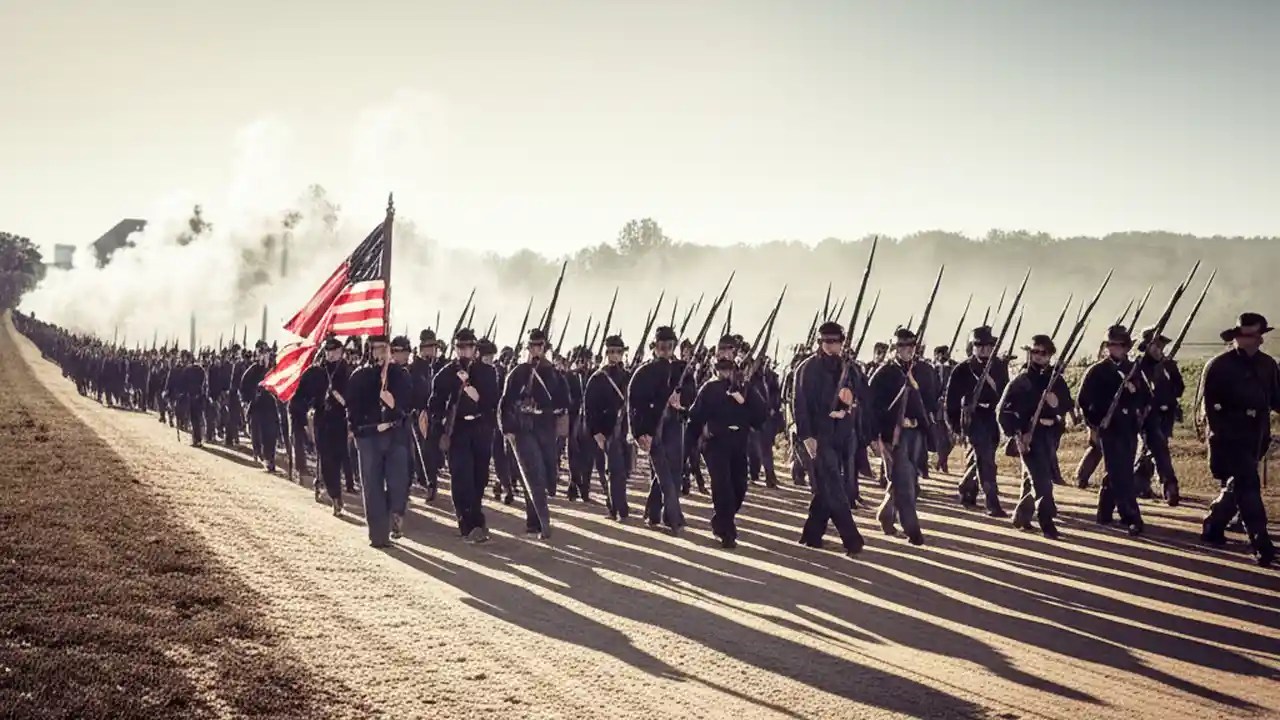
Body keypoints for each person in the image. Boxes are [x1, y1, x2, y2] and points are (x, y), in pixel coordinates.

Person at [1200, 313, 1278, 567]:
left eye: (1254, 336)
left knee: (1240, 486)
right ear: (1236, 337)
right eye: (1245, 336)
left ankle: (1214, 524)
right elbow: (1209, 409)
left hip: (1257, 437)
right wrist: (1219, 436)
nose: (1251, 341)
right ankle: (1260, 542)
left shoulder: (1268, 365)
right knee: (1249, 486)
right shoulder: (1219, 366)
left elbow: (1277, 398)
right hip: (1228, 437)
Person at [793, 321, 866, 556]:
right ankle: (852, 539)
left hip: (843, 434)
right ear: (820, 342)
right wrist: (807, 436)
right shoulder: (807, 369)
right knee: (835, 486)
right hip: (818, 436)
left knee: (827, 487)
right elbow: (800, 404)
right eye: (827, 341)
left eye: (836, 341)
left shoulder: (851, 369)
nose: (832, 345)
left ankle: (811, 534)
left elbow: (862, 398)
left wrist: (850, 401)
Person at [998, 334, 1074, 538]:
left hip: (1050, 436)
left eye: (1044, 352)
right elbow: (1003, 412)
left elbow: (1068, 404)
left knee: (1034, 479)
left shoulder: (1055, 380)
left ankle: (1021, 516)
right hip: (1028, 437)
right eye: (1035, 352)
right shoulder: (1020, 381)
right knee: (1042, 482)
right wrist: (1017, 435)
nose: (1040, 356)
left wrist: (1055, 402)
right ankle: (1046, 521)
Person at [1078, 325, 1151, 536]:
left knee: (1120, 469)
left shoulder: (1134, 369)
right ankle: (1131, 516)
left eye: (1118, 345)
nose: (1113, 349)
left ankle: (1104, 512)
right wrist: (1094, 424)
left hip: (1128, 427)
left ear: (1126, 347)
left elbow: (1146, 398)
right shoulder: (1096, 371)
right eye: (1110, 344)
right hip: (1108, 428)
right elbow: (1084, 401)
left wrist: (1133, 392)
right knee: (1122, 474)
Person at [687, 354, 766, 548]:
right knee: (722, 487)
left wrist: (744, 399)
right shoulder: (709, 389)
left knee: (739, 487)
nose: (725, 373)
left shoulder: (746, 389)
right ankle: (728, 532)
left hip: (739, 443)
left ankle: (721, 520)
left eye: (728, 369)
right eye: (721, 369)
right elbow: (695, 417)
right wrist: (689, 445)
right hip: (715, 444)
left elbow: (761, 416)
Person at [429, 328, 499, 543]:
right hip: (457, 430)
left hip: (480, 429)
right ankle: (467, 524)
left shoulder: (487, 372)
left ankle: (477, 517)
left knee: (480, 478)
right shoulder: (445, 374)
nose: (464, 351)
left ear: (475, 348)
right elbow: (435, 405)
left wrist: (477, 397)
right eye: (460, 346)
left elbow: (493, 402)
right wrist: (439, 431)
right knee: (462, 478)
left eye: (468, 346)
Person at [500, 328, 570, 539]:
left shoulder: (555, 374)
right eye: (532, 346)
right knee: (533, 474)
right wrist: (508, 429)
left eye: (539, 346)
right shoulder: (519, 372)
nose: (535, 350)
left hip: (546, 429)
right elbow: (505, 403)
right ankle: (541, 522)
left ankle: (537, 518)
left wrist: (554, 412)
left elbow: (564, 402)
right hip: (524, 429)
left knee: (548, 473)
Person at [347, 334, 413, 548]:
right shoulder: (359, 376)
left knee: (398, 482)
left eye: (383, 349)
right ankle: (378, 534)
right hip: (369, 437)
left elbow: (407, 405)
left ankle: (395, 513)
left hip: (396, 436)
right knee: (372, 486)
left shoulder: (400, 375)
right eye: (375, 349)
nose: (379, 354)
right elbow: (353, 409)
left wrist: (392, 403)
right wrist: (362, 428)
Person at [870, 327, 935, 545]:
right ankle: (912, 529)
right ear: (894, 348)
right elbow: (872, 406)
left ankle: (886, 513)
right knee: (905, 481)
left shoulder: (924, 371)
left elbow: (932, 399)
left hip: (916, 433)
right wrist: (875, 436)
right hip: (893, 435)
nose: (907, 350)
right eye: (902, 346)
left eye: (910, 346)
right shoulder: (884, 373)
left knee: (907, 480)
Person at [628, 326, 696, 536]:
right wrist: (639, 433)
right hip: (652, 427)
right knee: (664, 473)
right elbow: (634, 404)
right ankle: (675, 517)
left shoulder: (682, 369)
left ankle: (655, 512)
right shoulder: (643, 372)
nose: (665, 350)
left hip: (675, 424)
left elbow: (692, 395)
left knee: (673, 471)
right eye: (661, 347)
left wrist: (681, 401)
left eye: (669, 346)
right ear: (655, 348)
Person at [945, 326, 1010, 516]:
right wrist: (955, 425)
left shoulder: (998, 367)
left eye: (988, 345)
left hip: (990, 416)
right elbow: (952, 400)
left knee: (983, 455)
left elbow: (1005, 393)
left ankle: (966, 487)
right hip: (971, 417)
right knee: (986, 459)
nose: (983, 349)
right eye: (979, 345)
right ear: (972, 346)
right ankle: (992, 502)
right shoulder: (962, 369)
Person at [1132, 327, 1185, 505]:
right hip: (1147, 415)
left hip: (1166, 414)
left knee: (1152, 449)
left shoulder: (1169, 365)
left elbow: (1179, 389)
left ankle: (1140, 484)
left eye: (1160, 346)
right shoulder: (1138, 366)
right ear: (1146, 346)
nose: (1158, 349)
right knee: (1158, 448)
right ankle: (1170, 486)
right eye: (1154, 345)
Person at [584, 335, 633, 520]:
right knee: (615, 470)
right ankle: (619, 509)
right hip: (607, 430)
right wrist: (596, 432)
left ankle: (614, 503)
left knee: (625, 470)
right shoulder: (598, 378)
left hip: (625, 430)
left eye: (618, 352)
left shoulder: (628, 376)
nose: (615, 355)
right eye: (611, 352)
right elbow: (589, 408)